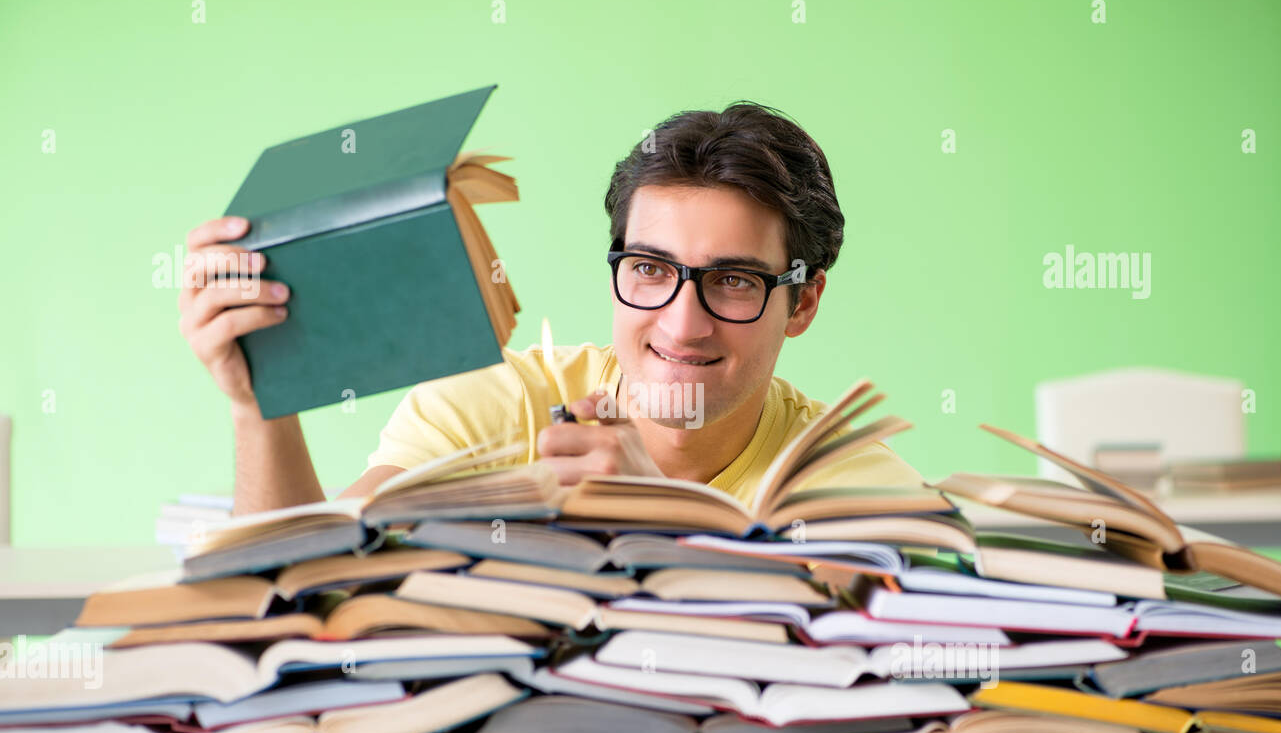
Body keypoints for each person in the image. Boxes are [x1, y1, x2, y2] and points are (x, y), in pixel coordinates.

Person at [177, 101, 923, 515]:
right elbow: (305, 593)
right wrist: (259, 405)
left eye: (732, 281)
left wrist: (664, 519)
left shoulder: (852, 486)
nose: (681, 322)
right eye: (650, 268)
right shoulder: (493, 403)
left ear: (804, 300)